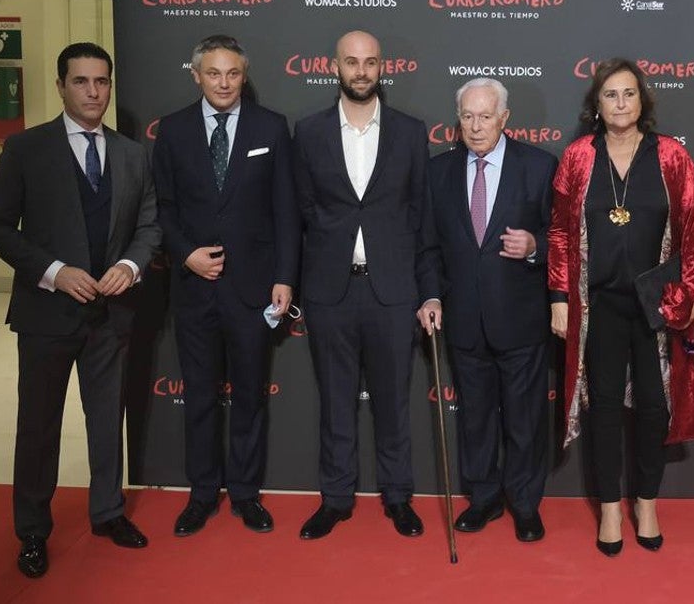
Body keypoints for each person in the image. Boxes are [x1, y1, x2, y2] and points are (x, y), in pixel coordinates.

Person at [0, 42, 161, 577]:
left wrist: (129, 266)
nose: (93, 92)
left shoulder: (131, 153)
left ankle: (107, 512)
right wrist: (56, 272)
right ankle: (33, 531)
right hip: (46, 315)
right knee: (38, 426)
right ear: (61, 85)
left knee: (108, 421)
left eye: (101, 81)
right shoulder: (25, 149)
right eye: (81, 81)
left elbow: (149, 225)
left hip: (113, 316)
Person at [549, 58, 694, 556]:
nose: (620, 103)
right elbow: (560, 232)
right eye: (610, 95)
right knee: (602, 407)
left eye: (628, 94)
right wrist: (559, 297)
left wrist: (693, 294)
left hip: (657, 307)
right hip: (597, 305)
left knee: (653, 406)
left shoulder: (671, 157)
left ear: (642, 101)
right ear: (595, 105)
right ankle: (607, 508)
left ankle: (645, 500)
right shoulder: (579, 157)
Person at [152, 35, 299, 537]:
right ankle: (200, 495)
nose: (223, 83)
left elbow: (286, 210)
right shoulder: (171, 131)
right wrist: (185, 254)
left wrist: (284, 277)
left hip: (253, 291)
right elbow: (162, 209)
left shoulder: (271, 127)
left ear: (244, 75)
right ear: (196, 75)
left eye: (233, 73)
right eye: (213, 73)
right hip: (194, 291)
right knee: (198, 396)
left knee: (251, 397)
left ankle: (245, 494)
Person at [292, 30, 435, 540]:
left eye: (370, 62)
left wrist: (427, 289)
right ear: (334, 66)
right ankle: (335, 498)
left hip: (393, 291)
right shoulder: (308, 133)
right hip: (330, 289)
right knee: (335, 400)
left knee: (395, 401)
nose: (360, 71)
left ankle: (399, 497)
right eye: (351, 62)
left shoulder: (410, 132)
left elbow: (421, 218)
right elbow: (302, 212)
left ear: (382, 67)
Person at [416, 78, 558, 542]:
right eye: (467, 117)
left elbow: (565, 241)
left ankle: (524, 503)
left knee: (524, 420)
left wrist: (535, 246)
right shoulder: (437, 173)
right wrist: (432, 295)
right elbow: (428, 248)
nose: (476, 127)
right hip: (463, 321)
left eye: (485, 116)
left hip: (521, 319)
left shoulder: (539, 167)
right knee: (475, 418)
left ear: (504, 118)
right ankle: (483, 499)